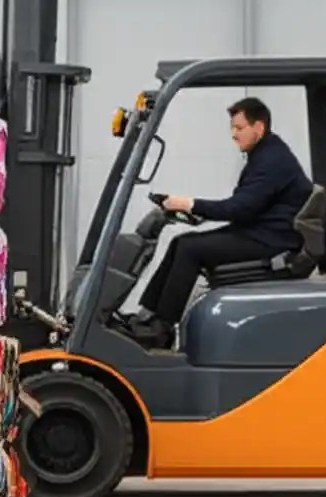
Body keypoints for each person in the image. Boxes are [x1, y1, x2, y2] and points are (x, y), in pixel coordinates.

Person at [127, 97, 314, 349]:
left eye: (239, 128)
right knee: (181, 242)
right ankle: (147, 315)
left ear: (258, 127)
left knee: (189, 249)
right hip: (261, 231)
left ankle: (161, 330)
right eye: (232, 128)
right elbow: (245, 207)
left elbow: (239, 208)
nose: (233, 135)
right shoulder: (266, 153)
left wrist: (189, 204)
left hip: (270, 241)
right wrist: (199, 212)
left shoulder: (271, 160)